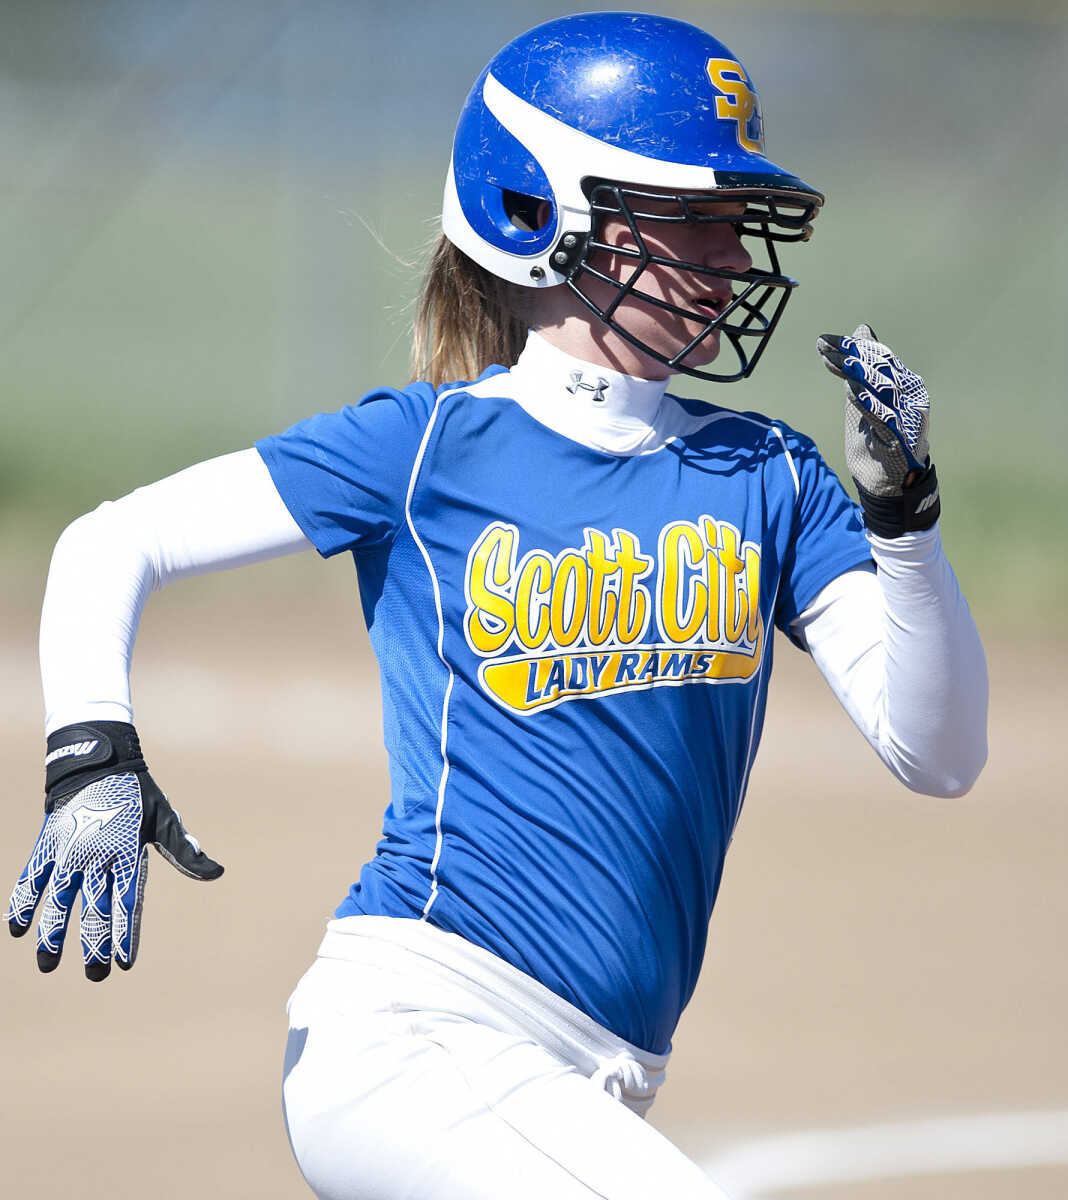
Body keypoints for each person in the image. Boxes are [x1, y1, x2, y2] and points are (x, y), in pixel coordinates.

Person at [7, 12, 988, 1200]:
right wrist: (90, 756)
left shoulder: (768, 474)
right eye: (697, 219)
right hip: (414, 1040)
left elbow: (937, 754)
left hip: (594, 1072)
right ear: (545, 214)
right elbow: (115, 540)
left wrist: (906, 525)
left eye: (739, 224)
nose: (734, 262)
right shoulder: (430, 446)